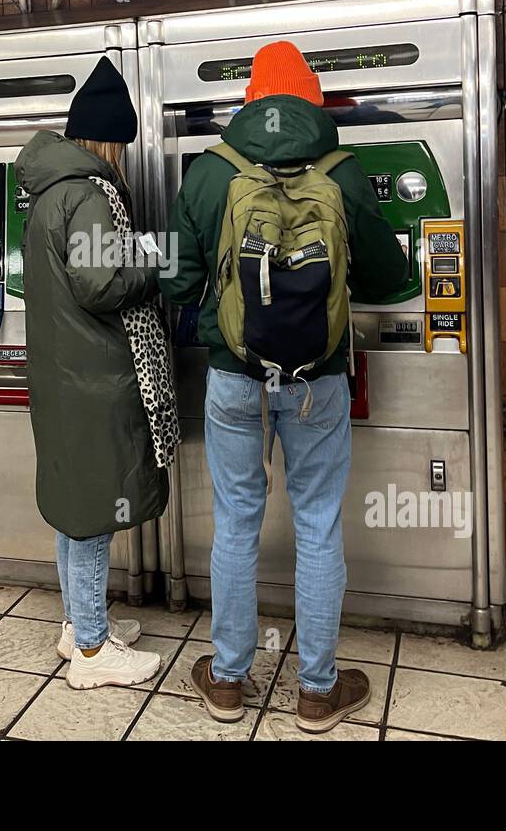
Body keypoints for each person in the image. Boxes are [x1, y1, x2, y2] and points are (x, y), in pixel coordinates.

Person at [160, 41, 407, 731]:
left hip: (234, 376)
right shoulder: (342, 170)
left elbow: (177, 280)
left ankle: (229, 680)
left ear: (251, 102)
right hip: (316, 381)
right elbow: (390, 276)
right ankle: (319, 690)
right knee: (318, 524)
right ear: (312, 102)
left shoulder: (212, 172)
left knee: (236, 523)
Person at [14, 56, 178, 690]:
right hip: (94, 374)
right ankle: (89, 652)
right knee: (89, 510)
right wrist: (154, 260)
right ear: (108, 139)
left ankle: (80, 623)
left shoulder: (50, 192)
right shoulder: (90, 192)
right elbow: (100, 280)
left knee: (73, 502)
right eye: (122, 143)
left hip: (63, 373)